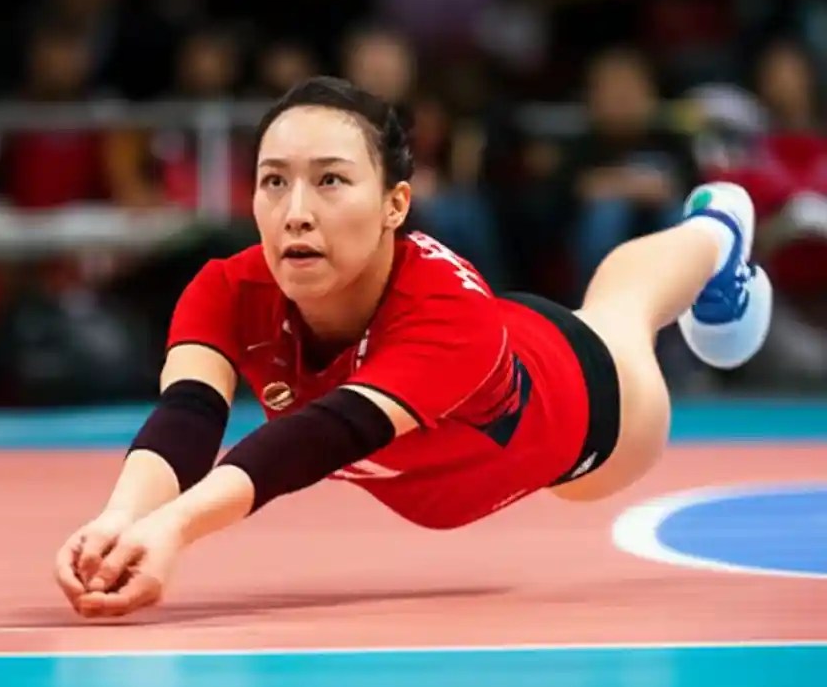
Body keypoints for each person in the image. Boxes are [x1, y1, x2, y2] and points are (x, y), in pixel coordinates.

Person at [52, 76, 773, 619]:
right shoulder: (226, 289)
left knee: (622, 311)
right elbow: (187, 416)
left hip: (590, 407)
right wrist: (122, 518)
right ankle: (711, 242)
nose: (296, 212)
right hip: (483, 418)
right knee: (614, 300)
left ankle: (716, 231)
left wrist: (173, 530)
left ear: (395, 204)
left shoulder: (446, 314)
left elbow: (318, 438)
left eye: (331, 181)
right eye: (274, 182)